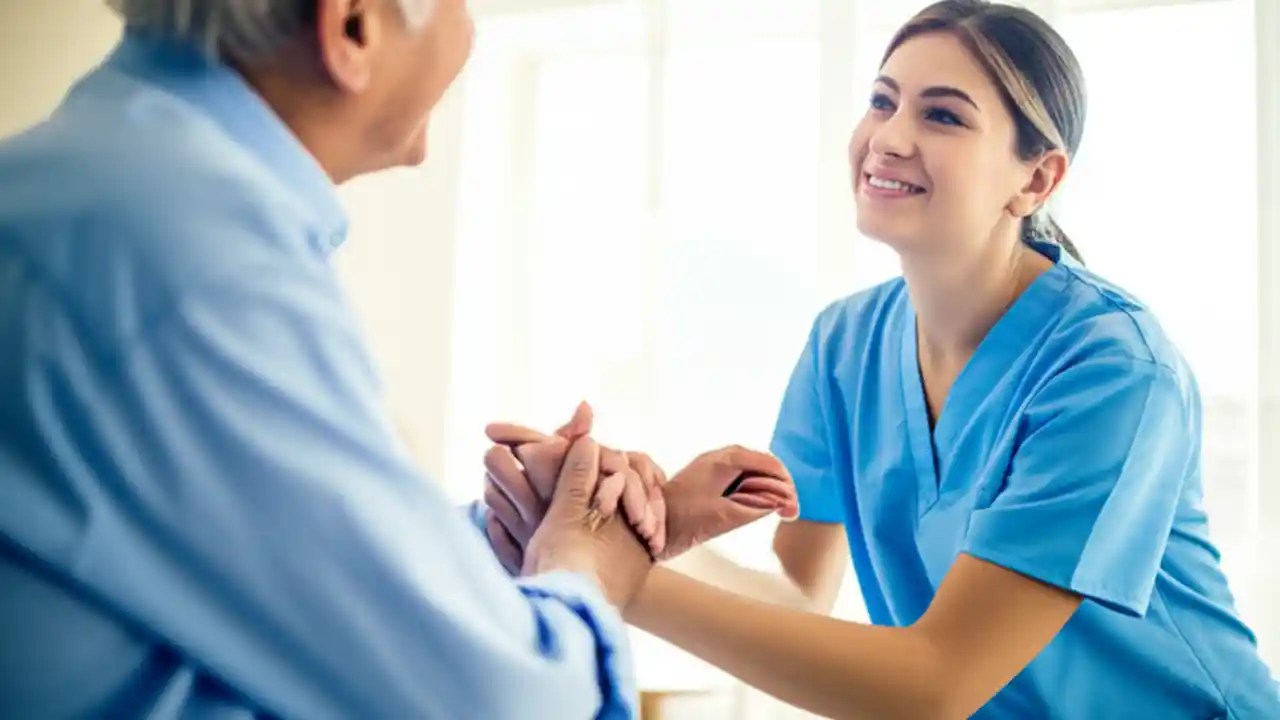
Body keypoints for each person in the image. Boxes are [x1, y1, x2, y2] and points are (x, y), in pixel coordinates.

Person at [0, 1, 797, 718]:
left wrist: (512, 539)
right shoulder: (185, 257)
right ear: (352, 26)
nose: (473, 31)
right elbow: (499, 703)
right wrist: (588, 560)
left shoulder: (100, 193)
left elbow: (244, 564)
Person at [484, 1, 1280, 717]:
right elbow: (801, 598)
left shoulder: (1112, 370)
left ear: (1036, 178)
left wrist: (610, 576)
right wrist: (636, 534)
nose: (889, 137)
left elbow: (936, 682)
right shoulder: (845, 347)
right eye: (882, 100)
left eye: (943, 116)